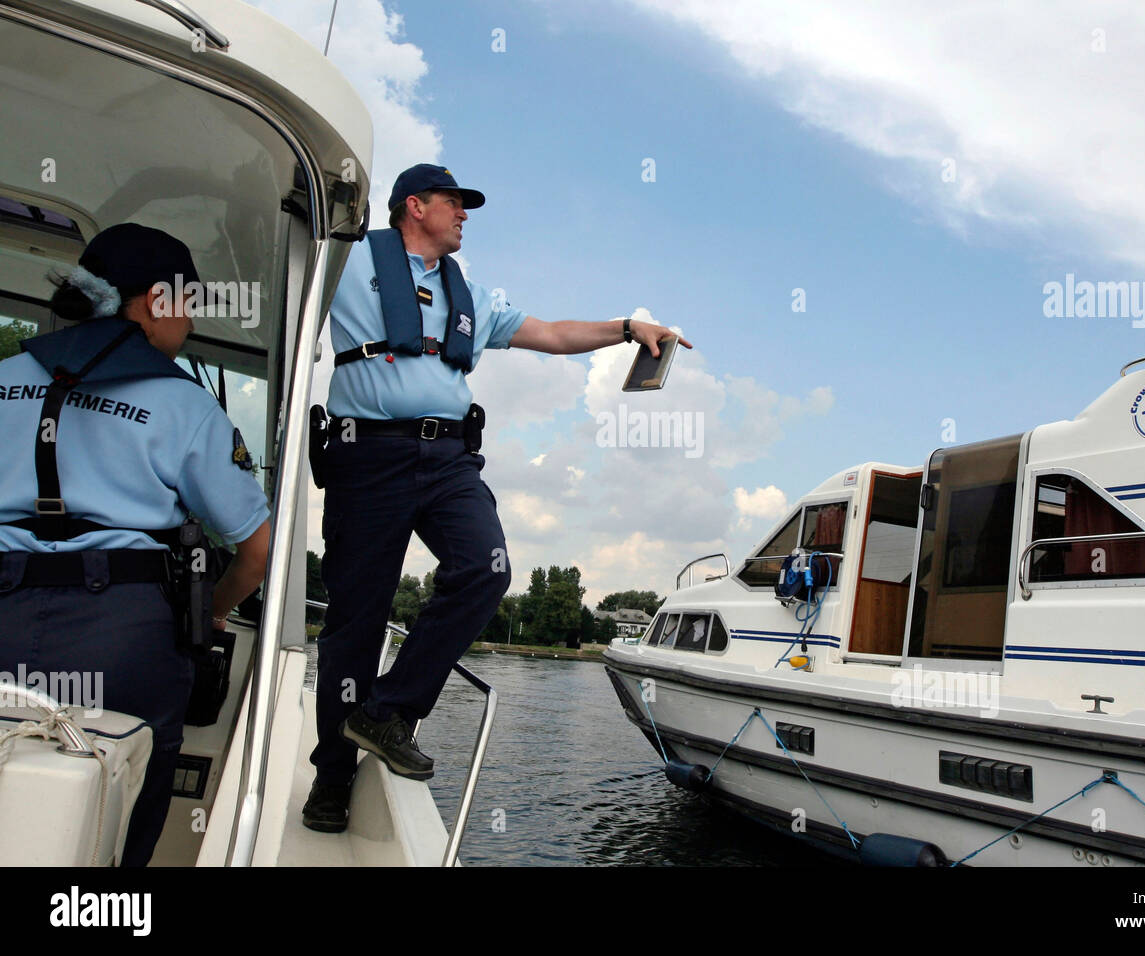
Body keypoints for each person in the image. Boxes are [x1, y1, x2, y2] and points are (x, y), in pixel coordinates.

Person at [304, 164, 690, 831]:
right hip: (368, 455)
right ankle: (332, 780)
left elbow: (552, 334)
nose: (464, 214)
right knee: (356, 620)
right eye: (455, 203)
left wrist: (629, 327)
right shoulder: (345, 261)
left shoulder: (471, 296)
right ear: (414, 206)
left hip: (449, 458)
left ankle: (389, 711)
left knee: (486, 569)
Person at [0, 223, 271, 866]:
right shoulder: (185, 404)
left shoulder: (6, 375)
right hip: (122, 630)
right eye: (188, 306)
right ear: (155, 302)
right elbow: (256, 551)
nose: (191, 324)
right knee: (117, 807)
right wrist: (213, 610)